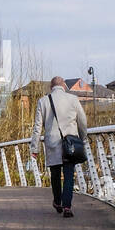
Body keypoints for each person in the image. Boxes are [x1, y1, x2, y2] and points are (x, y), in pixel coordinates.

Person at [30, 76, 89, 218]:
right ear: (63, 86)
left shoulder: (43, 101)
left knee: (55, 174)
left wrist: (34, 148)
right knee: (69, 176)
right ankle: (67, 206)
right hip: (70, 143)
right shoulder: (73, 99)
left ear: (51, 87)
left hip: (52, 143)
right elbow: (82, 121)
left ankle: (57, 202)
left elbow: (37, 126)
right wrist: (83, 138)